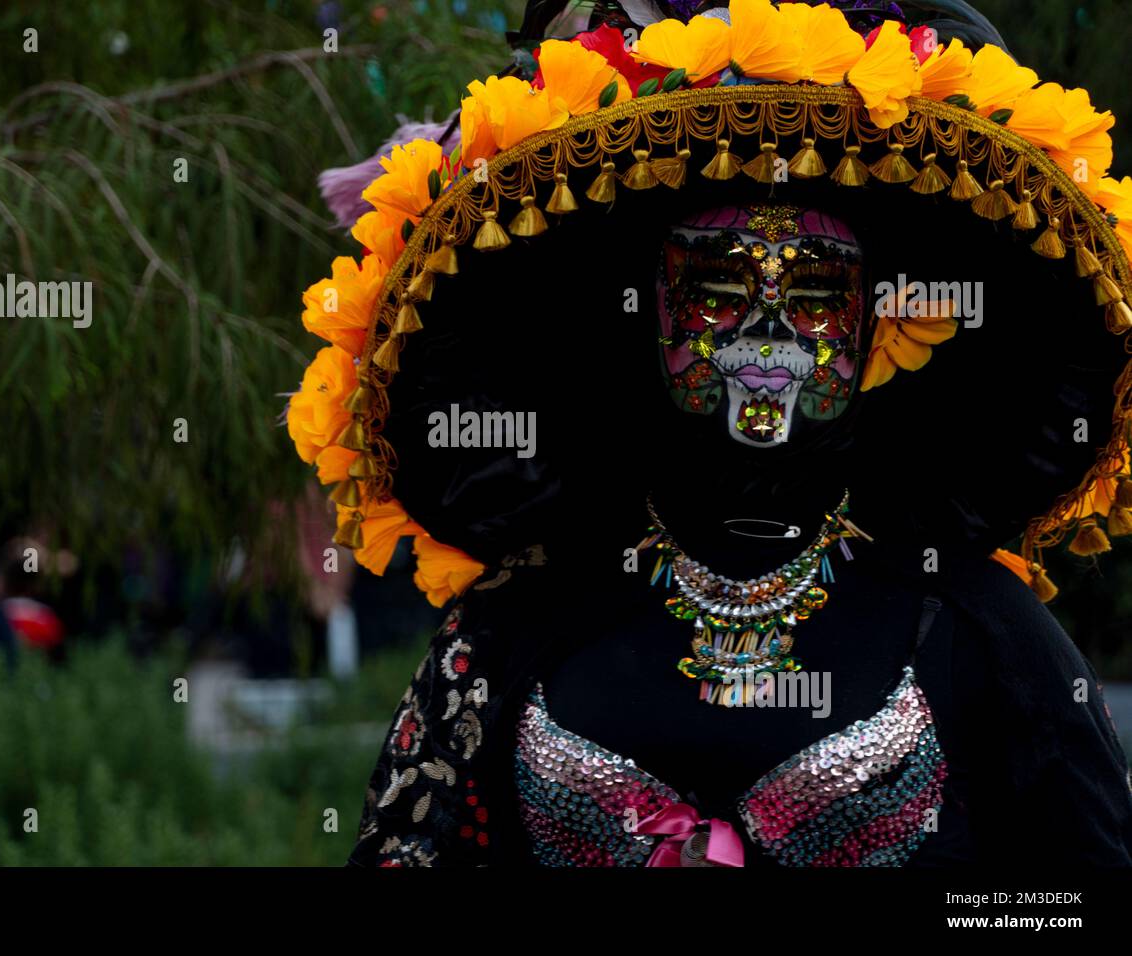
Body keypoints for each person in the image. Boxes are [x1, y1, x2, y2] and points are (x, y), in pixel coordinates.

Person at [291, 0, 1132, 866]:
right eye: (721, 293)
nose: (765, 341)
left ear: (872, 327)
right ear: (650, 314)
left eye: (811, 299)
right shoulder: (513, 622)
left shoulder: (975, 621)